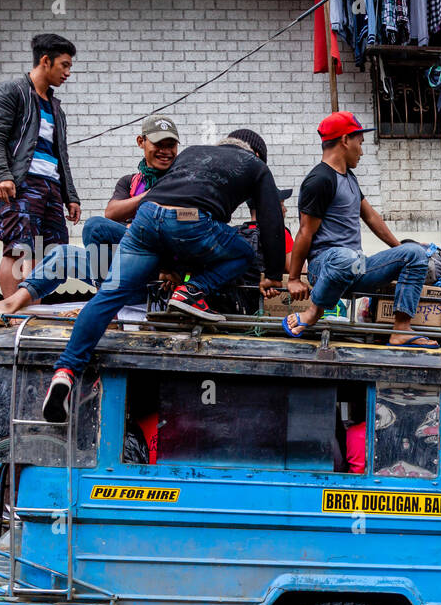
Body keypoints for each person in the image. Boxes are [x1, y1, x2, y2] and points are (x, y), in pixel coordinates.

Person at [40, 130, 285, 424]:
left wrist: (169, 265)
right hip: (190, 220)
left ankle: (65, 371)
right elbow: (272, 221)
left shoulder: (193, 152)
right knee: (242, 252)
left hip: (147, 217)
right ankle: (191, 292)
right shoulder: (256, 166)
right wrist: (272, 275)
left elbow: (168, 205)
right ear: (254, 154)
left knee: (107, 296)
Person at [0, 114, 182, 317]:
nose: (165, 151)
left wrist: (167, 265)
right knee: (62, 254)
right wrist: (148, 196)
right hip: (120, 271)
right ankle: (12, 303)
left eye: (170, 146)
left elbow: (189, 222)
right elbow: (112, 212)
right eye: (158, 144)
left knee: (95, 227)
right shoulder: (131, 182)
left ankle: (105, 302)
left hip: (155, 275)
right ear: (141, 142)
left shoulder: (185, 183)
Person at [280, 112, 436, 348]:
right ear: (345, 140)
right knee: (346, 257)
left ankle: (401, 328)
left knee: (414, 253)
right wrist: (293, 278)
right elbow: (304, 232)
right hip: (325, 268)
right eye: (360, 144)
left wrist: (400, 249)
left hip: (356, 266)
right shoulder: (319, 180)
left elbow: (371, 216)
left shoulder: (349, 178)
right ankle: (313, 312)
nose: (361, 152)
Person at [0, 33, 81, 297]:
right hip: (21, 183)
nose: (68, 73)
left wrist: (70, 196)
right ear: (46, 61)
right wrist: (2, 175)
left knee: (51, 255)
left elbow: (62, 156)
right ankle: (13, 313)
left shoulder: (56, 108)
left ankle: (31, 309)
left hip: (51, 187)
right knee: (18, 249)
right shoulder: (11, 91)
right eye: (65, 65)